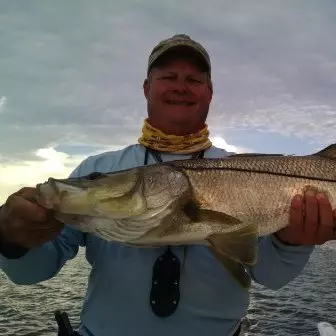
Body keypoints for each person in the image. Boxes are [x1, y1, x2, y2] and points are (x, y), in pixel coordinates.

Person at [0, 34, 335, 336]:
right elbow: (31, 273)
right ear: (147, 87)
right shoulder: (98, 167)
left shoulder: (238, 166)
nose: (180, 86)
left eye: (193, 79)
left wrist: (293, 240)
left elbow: (272, 277)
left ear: (209, 92)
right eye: (168, 77)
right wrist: (11, 240)